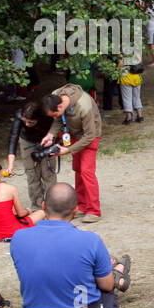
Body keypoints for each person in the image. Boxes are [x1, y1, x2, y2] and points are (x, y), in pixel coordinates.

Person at [10, 184, 130, 308]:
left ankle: (113, 268)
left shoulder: (18, 238)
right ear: (76, 209)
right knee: (101, 277)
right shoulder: (91, 240)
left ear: (43, 206)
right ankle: (117, 271)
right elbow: (107, 286)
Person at [40, 83, 102, 222]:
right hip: (74, 134)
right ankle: (81, 206)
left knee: (87, 172)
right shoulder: (55, 95)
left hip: (89, 135)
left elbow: (90, 135)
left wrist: (68, 150)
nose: (54, 117)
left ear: (60, 106)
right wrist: (50, 135)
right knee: (78, 170)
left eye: (54, 113)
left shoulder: (84, 107)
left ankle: (94, 210)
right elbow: (58, 120)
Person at [5, 98, 57, 209]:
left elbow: (55, 131)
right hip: (27, 141)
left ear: (38, 118)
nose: (27, 124)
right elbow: (13, 139)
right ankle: (37, 206)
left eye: (31, 122)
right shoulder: (19, 116)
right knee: (32, 174)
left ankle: (52, 206)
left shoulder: (47, 116)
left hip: (46, 140)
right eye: (25, 121)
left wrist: (43, 151)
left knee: (48, 174)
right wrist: (10, 166)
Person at [0, 160, 42, 241]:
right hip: (12, 230)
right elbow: (21, 213)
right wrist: (28, 211)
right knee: (41, 212)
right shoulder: (10, 188)